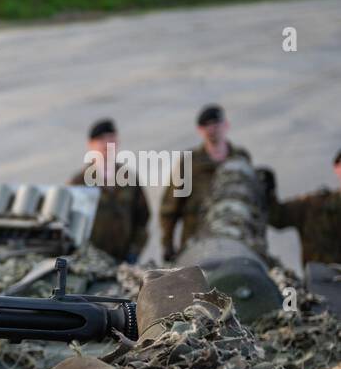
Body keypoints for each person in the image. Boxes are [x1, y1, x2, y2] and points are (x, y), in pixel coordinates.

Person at [160, 104, 251, 260]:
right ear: (200, 130)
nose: (212, 130)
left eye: (216, 124)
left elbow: (250, 202)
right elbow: (170, 208)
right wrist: (167, 245)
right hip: (196, 244)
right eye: (206, 126)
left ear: (226, 125)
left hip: (235, 241)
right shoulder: (189, 162)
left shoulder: (241, 159)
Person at [67, 118, 150, 262]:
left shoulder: (129, 177)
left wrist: (135, 250)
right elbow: (68, 224)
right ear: (90, 145)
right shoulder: (79, 182)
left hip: (124, 260)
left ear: (117, 141)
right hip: (89, 262)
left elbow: (143, 218)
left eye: (111, 137)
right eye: (101, 139)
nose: (107, 143)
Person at [267, 149, 341, 265]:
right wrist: (268, 193)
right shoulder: (311, 206)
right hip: (320, 280)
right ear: (337, 168)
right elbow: (278, 217)